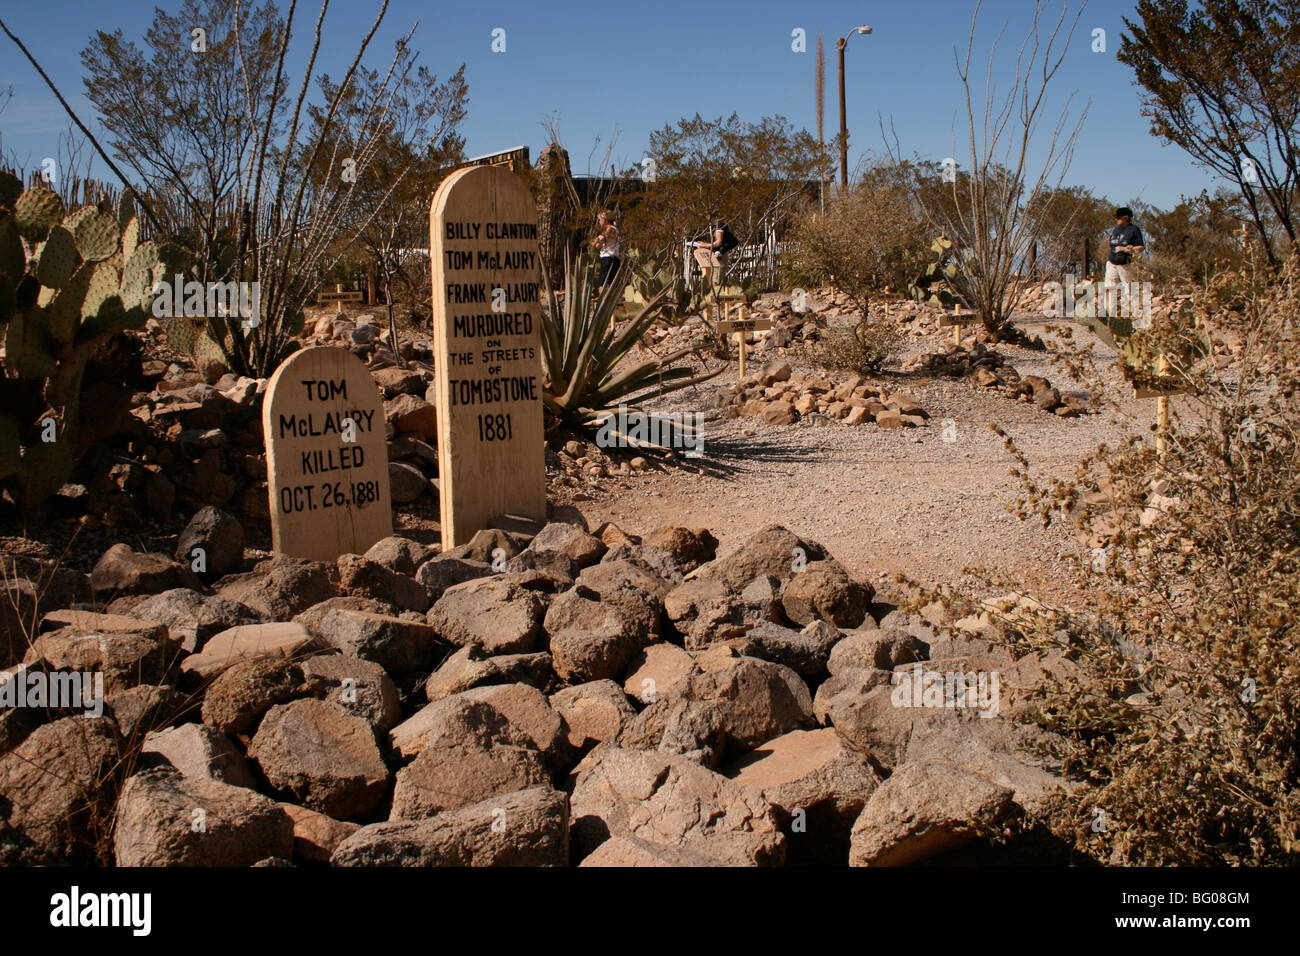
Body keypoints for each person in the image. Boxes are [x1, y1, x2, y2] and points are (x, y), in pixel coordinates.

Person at [1105, 206, 1145, 318]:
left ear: (1126, 218)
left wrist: (1125, 249)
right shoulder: (1115, 230)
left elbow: (1141, 247)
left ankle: (1132, 314)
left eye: (1118, 218)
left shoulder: (1133, 230)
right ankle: (1110, 315)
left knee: (1129, 290)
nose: (1116, 220)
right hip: (1112, 263)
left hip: (1126, 264)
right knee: (1109, 289)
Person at [689, 217, 738, 288]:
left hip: (719, 256)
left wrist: (705, 245)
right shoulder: (718, 227)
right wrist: (704, 244)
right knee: (716, 278)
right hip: (719, 255)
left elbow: (718, 243)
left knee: (716, 280)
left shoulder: (719, 227)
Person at [591, 211, 620, 294]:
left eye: (600, 219)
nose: (599, 221)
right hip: (608, 258)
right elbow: (597, 245)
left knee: (603, 283)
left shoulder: (612, 229)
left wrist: (599, 239)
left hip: (609, 259)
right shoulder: (608, 231)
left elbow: (605, 236)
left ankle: (602, 300)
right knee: (609, 282)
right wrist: (598, 240)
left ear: (605, 219)